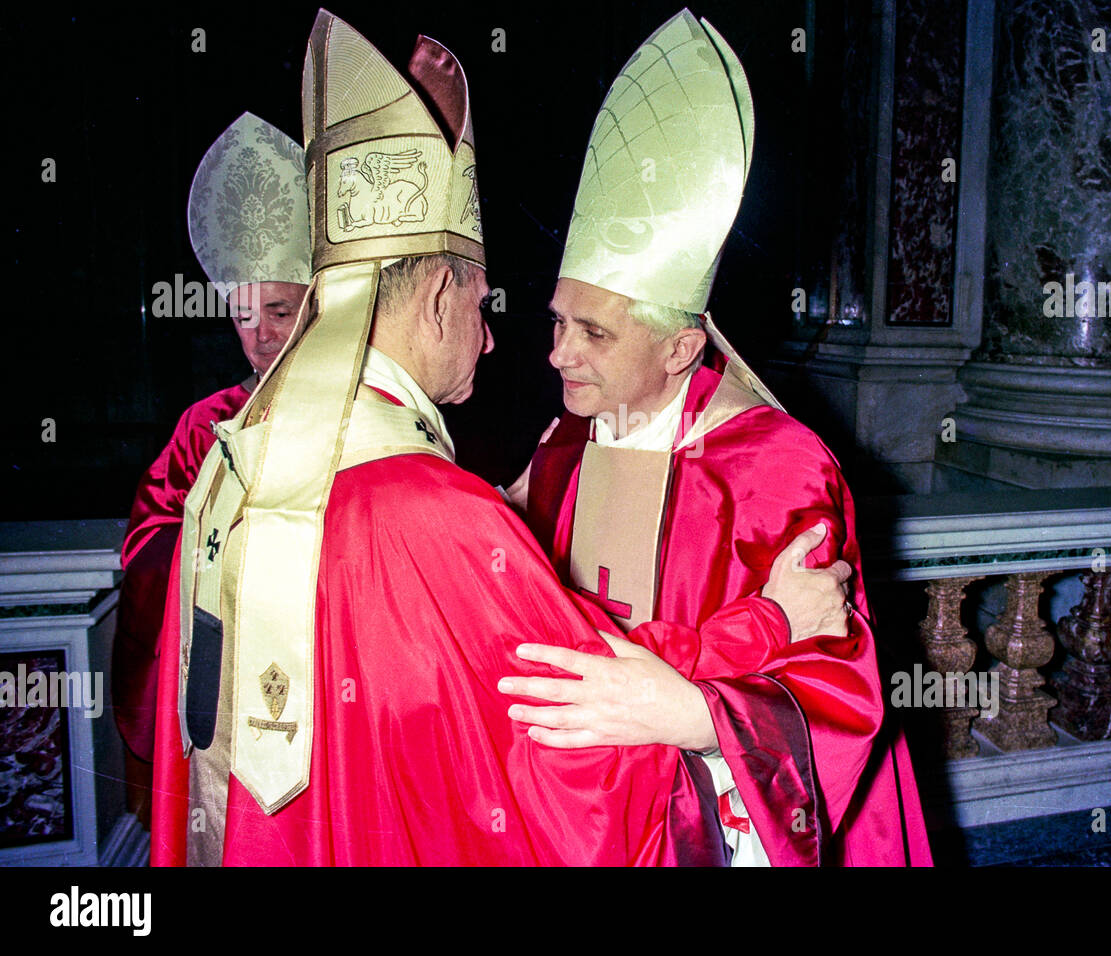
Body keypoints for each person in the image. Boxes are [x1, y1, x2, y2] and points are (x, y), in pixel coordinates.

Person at [149, 12, 848, 866]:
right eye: (487, 308)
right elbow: (579, 738)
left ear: (679, 347)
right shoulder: (432, 508)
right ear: (441, 294)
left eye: (591, 332)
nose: (503, 343)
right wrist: (763, 629)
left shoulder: (235, 458)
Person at [504, 9, 932, 866]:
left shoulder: (775, 467)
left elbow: (839, 686)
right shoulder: (560, 445)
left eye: (593, 332)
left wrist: (693, 716)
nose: (557, 352)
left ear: (680, 349)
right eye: (557, 322)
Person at [113, 114, 309, 775]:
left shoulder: (360, 415)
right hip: (224, 677)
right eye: (243, 315)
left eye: (279, 312)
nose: (258, 335)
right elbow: (147, 538)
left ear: (316, 305)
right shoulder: (206, 422)